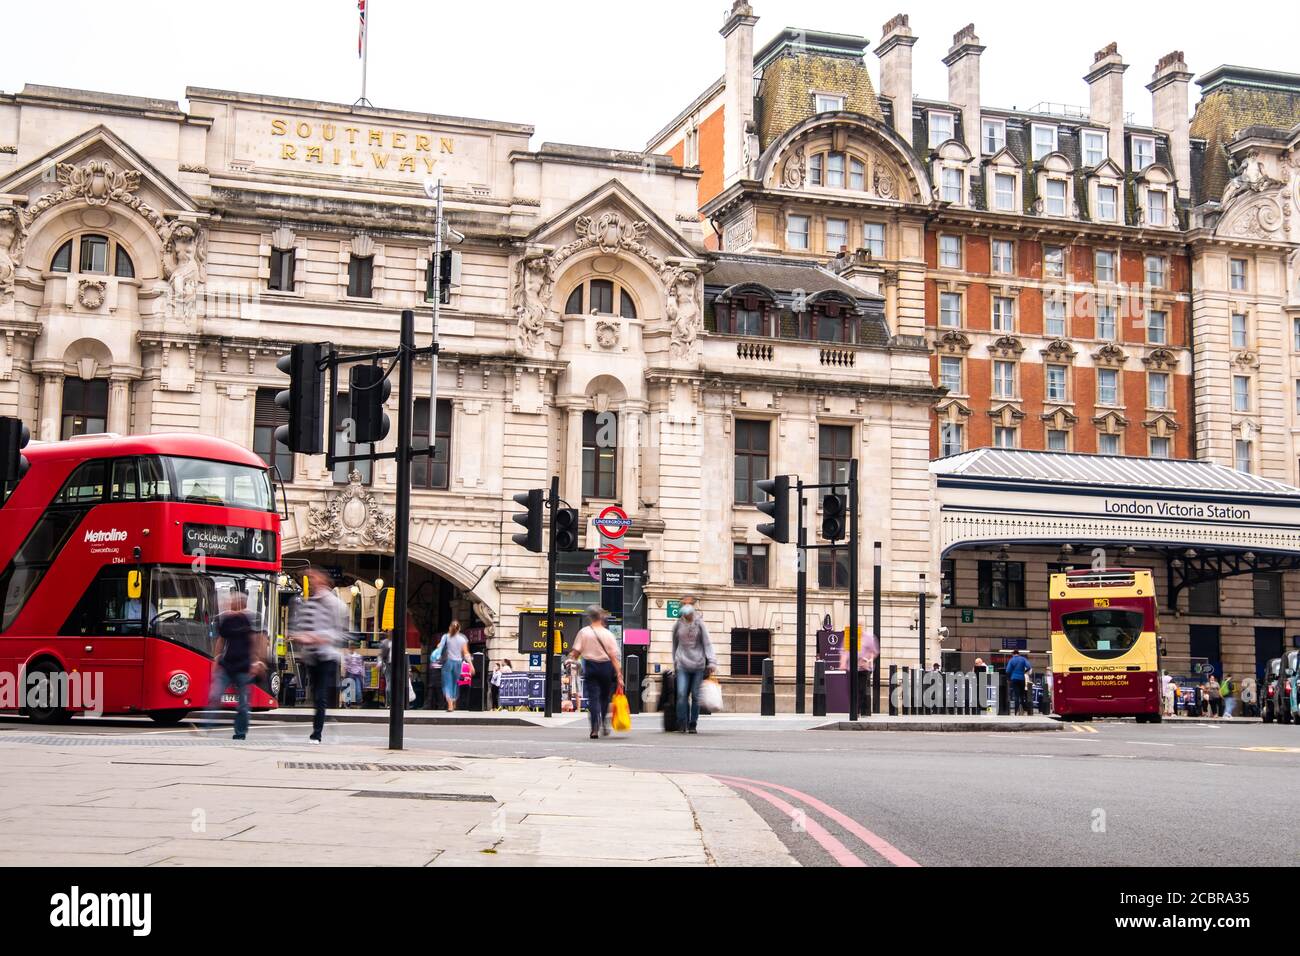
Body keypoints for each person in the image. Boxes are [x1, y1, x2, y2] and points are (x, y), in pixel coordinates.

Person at [289, 567, 349, 743]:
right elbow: (301, 627)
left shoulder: (335, 604)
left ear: (323, 580)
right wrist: (299, 636)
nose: (310, 581)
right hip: (311, 656)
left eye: (312, 577)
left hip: (327, 656)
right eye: (308, 578)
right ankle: (321, 722)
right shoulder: (308, 603)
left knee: (320, 695)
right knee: (316, 695)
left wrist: (321, 637)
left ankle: (317, 733)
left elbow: (343, 633)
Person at [211, 591, 266, 740]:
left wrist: (256, 661)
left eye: (234, 601)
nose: (230, 603)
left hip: (244, 666)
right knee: (214, 695)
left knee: (243, 704)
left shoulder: (250, 618)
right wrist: (216, 659)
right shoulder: (227, 618)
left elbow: (256, 641)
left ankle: (240, 733)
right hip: (227, 665)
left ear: (241, 603)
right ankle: (208, 725)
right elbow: (221, 640)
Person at [569, 605, 623, 739]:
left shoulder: (584, 632)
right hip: (606, 667)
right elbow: (613, 657)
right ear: (601, 618)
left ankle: (594, 727)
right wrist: (619, 675)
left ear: (590, 618)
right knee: (604, 698)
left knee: (593, 699)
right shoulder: (608, 634)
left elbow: (575, 652)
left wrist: (571, 659)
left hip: (590, 667)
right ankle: (604, 721)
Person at [671, 596, 717, 735]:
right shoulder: (678, 625)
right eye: (684, 605)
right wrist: (675, 661)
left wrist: (712, 661)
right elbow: (674, 644)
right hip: (682, 664)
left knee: (696, 695)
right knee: (681, 694)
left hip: (698, 665)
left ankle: (693, 723)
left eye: (688, 605)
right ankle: (682, 721)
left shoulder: (700, 624)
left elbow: (707, 643)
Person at [432, 620, 471, 713]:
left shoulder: (446, 637)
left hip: (448, 663)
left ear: (450, 628)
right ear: (459, 628)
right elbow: (466, 653)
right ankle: (453, 701)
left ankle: (450, 704)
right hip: (458, 663)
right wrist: (471, 665)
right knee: (455, 684)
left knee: (447, 684)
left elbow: (439, 647)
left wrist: (439, 647)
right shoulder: (463, 638)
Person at [1005, 648, 1032, 716]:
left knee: (1016, 696)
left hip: (1014, 679)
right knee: (1022, 696)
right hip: (1022, 679)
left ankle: (1016, 712)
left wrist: (1011, 674)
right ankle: (1025, 710)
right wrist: (1024, 672)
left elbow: (1008, 670)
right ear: (1018, 653)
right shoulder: (1023, 659)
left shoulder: (1011, 660)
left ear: (1013, 654)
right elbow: (1029, 667)